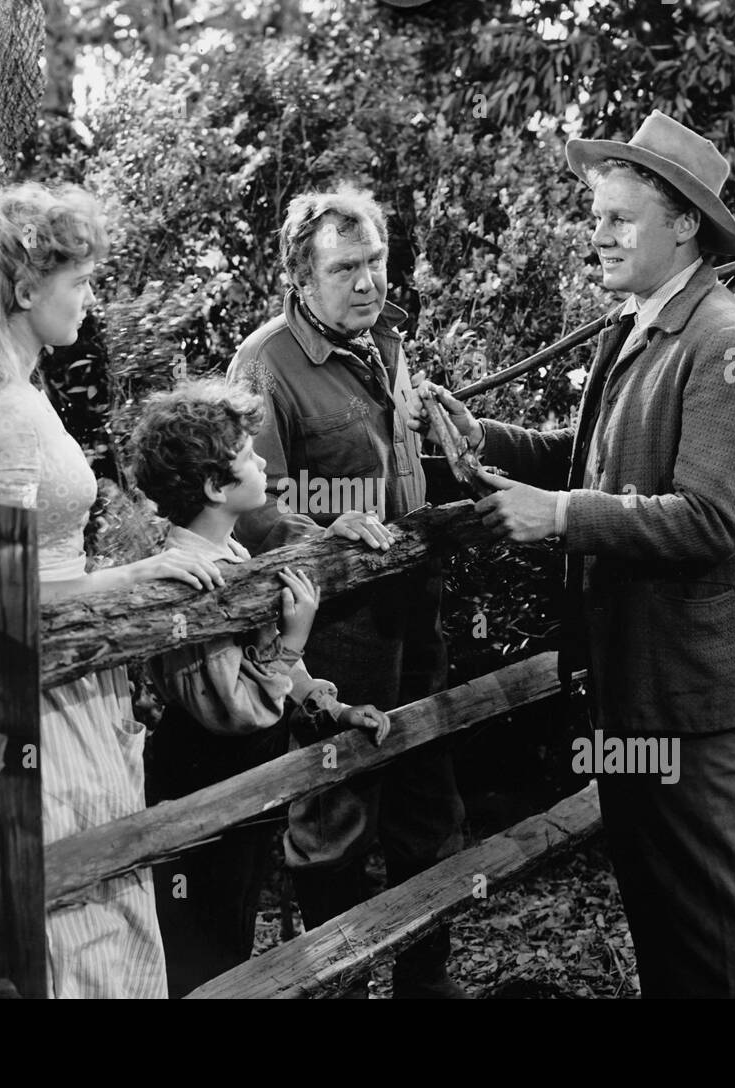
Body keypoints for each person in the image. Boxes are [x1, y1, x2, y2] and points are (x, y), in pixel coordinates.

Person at [412, 111, 735, 998]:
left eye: (621, 218)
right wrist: (486, 437)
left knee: (720, 924)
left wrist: (563, 517)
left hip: (685, 692)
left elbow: (709, 520)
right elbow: (596, 463)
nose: (599, 235)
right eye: (598, 216)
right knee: (660, 908)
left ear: (685, 223)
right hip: (625, 679)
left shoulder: (729, 346)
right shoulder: (640, 327)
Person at [0, 182, 223, 999]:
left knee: (106, 898)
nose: (88, 305)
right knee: (75, 910)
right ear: (25, 291)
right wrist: (136, 574)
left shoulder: (25, 394)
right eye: (79, 284)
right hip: (34, 692)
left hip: (74, 674)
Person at [227, 185, 467, 998]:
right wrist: (319, 534)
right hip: (329, 633)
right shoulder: (266, 365)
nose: (368, 283)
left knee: (427, 808)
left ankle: (424, 984)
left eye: (376, 264)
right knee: (334, 822)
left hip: (415, 618)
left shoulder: (386, 346)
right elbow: (249, 508)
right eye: (345, 269)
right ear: (301, 278)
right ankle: (339, 985)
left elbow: (396, 469)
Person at [129, 378, 390, 997]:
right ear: (216, 488)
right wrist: (296, 637)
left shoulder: (232, 552)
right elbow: (237, 709)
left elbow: (262, 669)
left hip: (242, 783)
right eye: (248, 454)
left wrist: (327, 703)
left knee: (235, 920)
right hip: (201, 782)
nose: (263, 461)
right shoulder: (193, 579)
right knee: (202, 941)